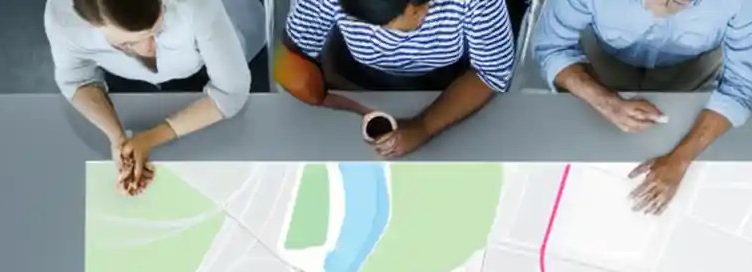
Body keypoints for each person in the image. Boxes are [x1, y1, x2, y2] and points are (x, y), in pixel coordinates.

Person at [532, 0, 752, 215]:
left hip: (693, 66)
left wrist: (681, 159)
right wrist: (605, 102)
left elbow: (739, 87)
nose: (662, 7)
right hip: (604, 59)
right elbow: (552, 47)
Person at [44, 0, 266, 195]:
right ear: (90, 23)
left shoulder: (196, 4)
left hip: (211, 57)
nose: (148, 49)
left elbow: (231, 90)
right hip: (122, 79)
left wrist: (149, 138)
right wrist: (117, 137)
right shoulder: (63, 18)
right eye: (127, 43)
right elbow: (78, 79)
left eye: (158, 29)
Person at [275, 0, 516, 159]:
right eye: (413, 10)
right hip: (353, 87)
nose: (424, 11)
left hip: (448, 90)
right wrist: (327, 99)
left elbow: (492, 72)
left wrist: (423, 127)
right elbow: (291, 56)